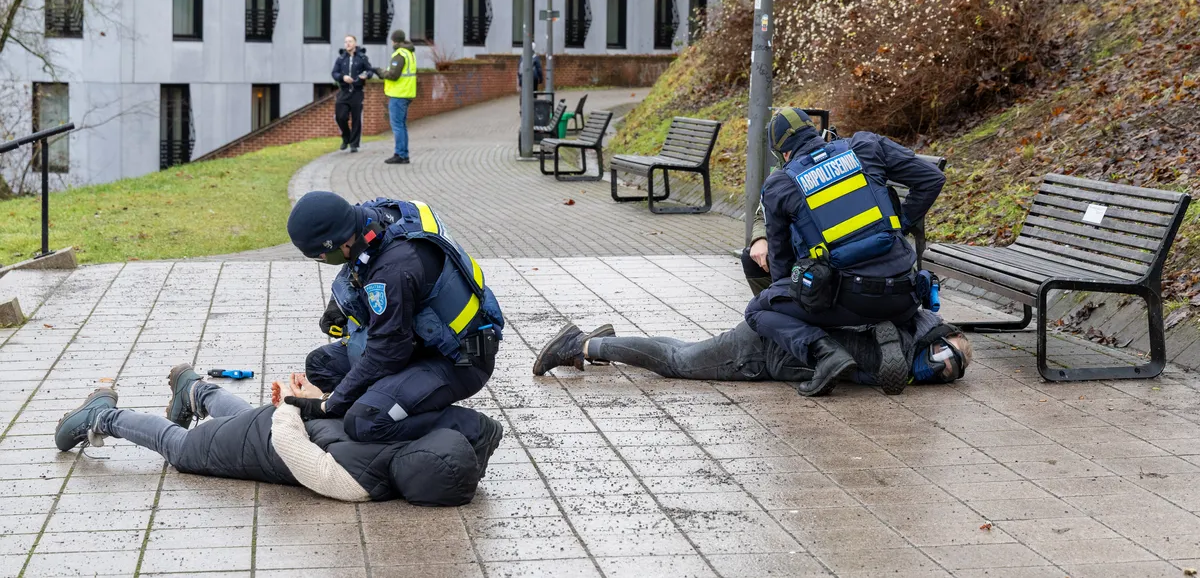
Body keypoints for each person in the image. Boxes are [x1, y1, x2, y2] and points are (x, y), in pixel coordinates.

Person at [52, 364, 503, 506]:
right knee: (184, 448)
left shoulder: (398, 433)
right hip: (275, 438)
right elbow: (290, 446)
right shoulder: (372, 483)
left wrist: (294, 403)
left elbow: (292, 446)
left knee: (215, 434)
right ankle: (104, 416)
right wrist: (299, 401)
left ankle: (191, 392)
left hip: (279, 436)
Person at [746, 108, 946, 397]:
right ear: (815, 131)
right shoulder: (866, 146)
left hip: (849, 299)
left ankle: (825, 354)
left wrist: (784, 306)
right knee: (879, 301)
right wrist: (897, 226)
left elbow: (782, 266)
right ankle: (888, 331)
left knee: (758, 311)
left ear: (784, 154)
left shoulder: (781, 184)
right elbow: (931, 179)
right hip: (905, 295)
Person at [286, 192, 505, 444]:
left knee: (364, 421)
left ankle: (473, 429)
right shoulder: (375, 216)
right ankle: (389, 405)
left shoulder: (394, 270)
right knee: (320, 365)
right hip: (419, 344)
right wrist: (338, 305)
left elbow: (387, 352)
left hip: (459, 360)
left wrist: (329, 404)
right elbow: (361, 263)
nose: (322, 260)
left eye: (320, 255)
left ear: (339, 242)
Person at [532, 311, 971, 391]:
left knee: (683, 352)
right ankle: (582, 344)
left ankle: (603, 342)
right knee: (676, 363)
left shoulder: (907, 322)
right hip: (764, 353)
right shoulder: (900, 349)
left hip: (772, 341)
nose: (945, 371)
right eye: (947, 363)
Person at [373, 30, 417, 165]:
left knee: (397, 126)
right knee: (401, 126)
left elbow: (393, 75)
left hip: (399, 94)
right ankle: (403, 154)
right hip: (407, 93)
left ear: (394, 41)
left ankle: (400, 155)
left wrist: (380, 72)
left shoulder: (400, 54)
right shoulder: (409, 52)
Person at [331, 35, 373, 154]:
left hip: (357, 92)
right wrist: (342, 77)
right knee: (340, 116)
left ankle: (354, 144)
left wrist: (366, 75)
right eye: (346, 42)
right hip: (344, 91)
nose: (347, 44)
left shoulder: (362, 57)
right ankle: (346, 137)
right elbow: (334, 73)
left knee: (356, 119)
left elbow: (370, 70)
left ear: (355, 43)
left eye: (350, 41)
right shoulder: (341, 59)